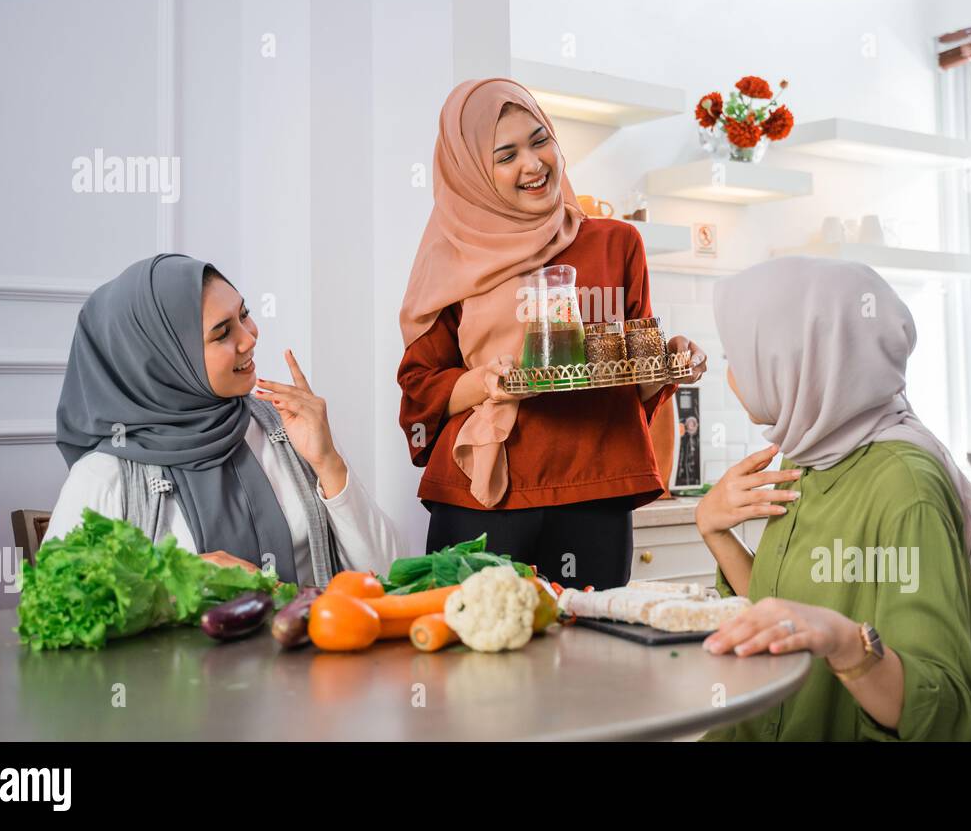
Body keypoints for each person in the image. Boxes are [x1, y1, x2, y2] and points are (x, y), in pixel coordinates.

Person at [396, 78, 707, 589]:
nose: (533, 164)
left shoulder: (616, 243)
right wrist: (486, 381)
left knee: (594, 657)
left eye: (541, 141)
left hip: (594, 485)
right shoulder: (452, 259)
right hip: (485, 494)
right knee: (478, 655)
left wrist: (671, 362)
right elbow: (420, 386)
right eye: (506, 155)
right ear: (471, 171)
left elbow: (632, 372)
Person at [697, 256, 971, 741]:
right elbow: (784, 620)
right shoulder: (806, 457)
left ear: (799, 360)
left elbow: (944, 712)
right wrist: (716, 532)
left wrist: (847, 644)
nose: (731, 376)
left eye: (739, 359)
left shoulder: (905, 485)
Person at [48, 253, 403, 585]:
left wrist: (328, 463)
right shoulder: (106, 474)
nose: (249, 338)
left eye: (244, 314)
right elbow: (55, 606)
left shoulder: (287, 428)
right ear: (164, 359)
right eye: (222, 332)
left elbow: (388, 574)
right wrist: (172, 580)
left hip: (314, 648)